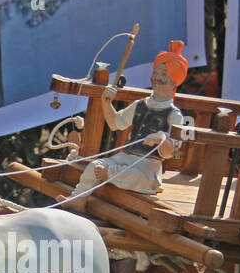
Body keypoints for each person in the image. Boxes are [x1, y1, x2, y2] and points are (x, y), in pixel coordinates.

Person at [72, 40, 187, 207]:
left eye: (163, 74)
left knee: (134, 175)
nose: (157, 78)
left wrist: (162, 138)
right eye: (156, 72)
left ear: (175, 81)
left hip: (146, 168)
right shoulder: (140, 104)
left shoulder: (174, 115)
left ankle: (109, 174)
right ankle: (77, 200)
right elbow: (115, 123)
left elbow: (173, 151)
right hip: (124, 159)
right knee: (93, 166)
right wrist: (106, 103)